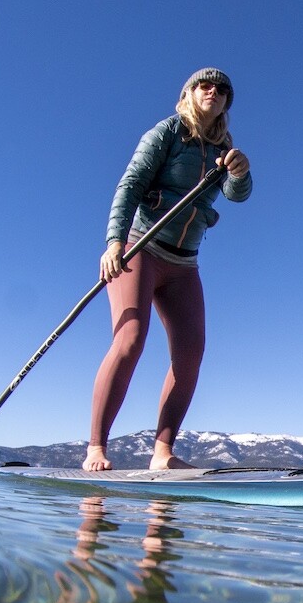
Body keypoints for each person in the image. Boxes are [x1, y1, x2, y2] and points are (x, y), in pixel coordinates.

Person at [83, 68, 252, 472]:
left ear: (227, 102)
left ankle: (162, 452)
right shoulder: (166, 132)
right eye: (204, 85)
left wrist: (242, 173)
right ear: (188, 94)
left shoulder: (224, 148)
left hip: (184, 263)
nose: (213, 90)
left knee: (191, 353)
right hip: (139, 249)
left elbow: (235, 194)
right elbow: (131, 185)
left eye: (222, 88)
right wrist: (112, 244)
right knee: (131, 340)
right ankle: (96, 448)